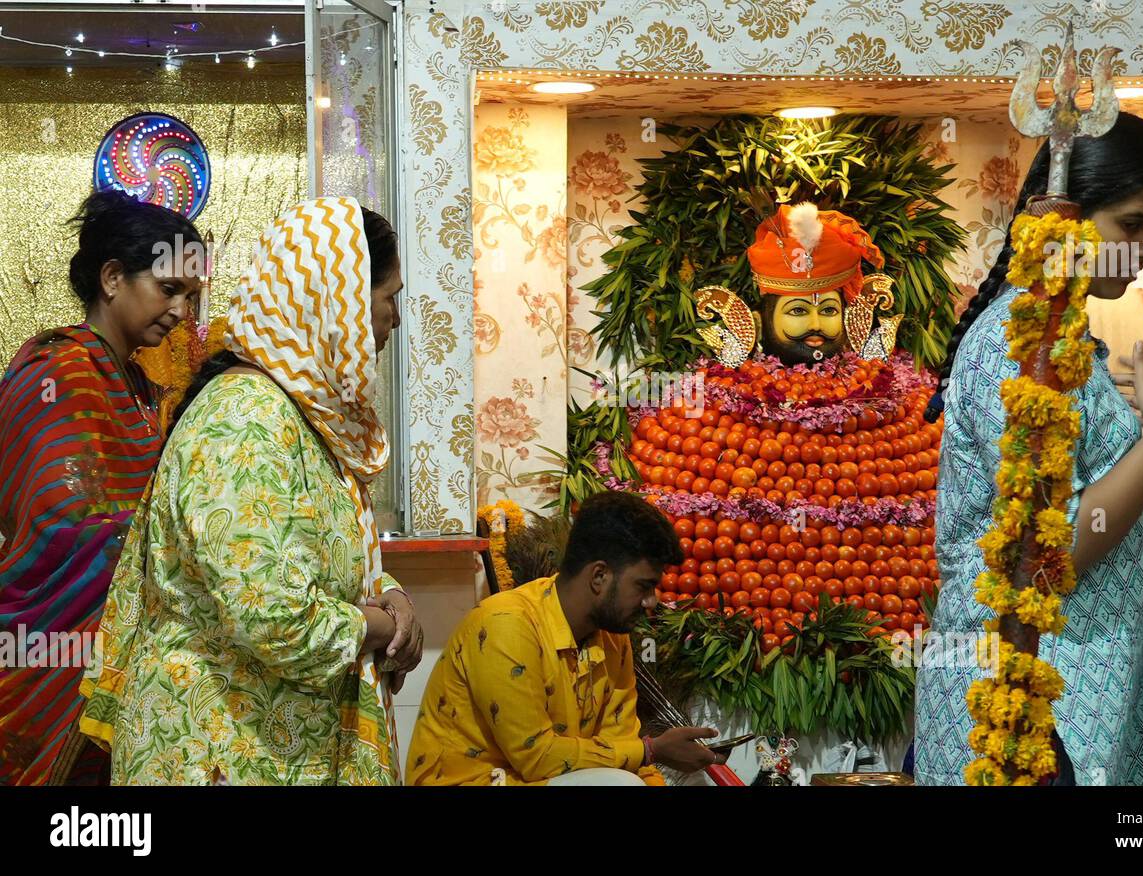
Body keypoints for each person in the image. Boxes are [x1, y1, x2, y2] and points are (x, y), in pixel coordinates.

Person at [79, 197, 421, 785]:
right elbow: (271, 614)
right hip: (215, 751)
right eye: (388, 298)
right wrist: (381, 628)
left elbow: (324, 553)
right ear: (335, 303)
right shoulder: (245, 419)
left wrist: (392, 596)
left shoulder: (297, 416)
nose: (393, 318)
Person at [914, 112, 1143, 785]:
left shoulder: (1069, 345)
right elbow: (1052, 551)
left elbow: (1087, 521)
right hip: (1026, 693)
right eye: (1132, 226)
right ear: (1066, 219)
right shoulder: (1018, 346)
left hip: (1081, 676)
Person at [0, 191, 202, 785]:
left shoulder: (140, 386)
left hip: (123, 648)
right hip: (50, 643)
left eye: (191, 297)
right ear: (113, 277)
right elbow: (59, 530)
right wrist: (182, 551)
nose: (182, 312)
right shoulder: (57, 373)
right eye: (169, 289)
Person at [406, 490, 724, 786]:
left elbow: (625, 752)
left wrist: (647, 761)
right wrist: (652, 750)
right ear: (599, 576)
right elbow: (538, 758)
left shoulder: (614, 638)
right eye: (643, 586)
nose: (651, 601)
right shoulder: (506, 625)